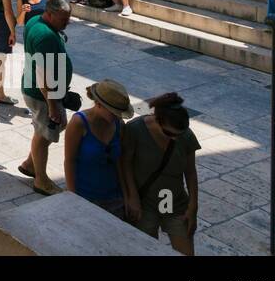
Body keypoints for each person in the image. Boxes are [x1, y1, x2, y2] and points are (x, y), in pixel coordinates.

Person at [121, 92, 200, 255]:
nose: (176, 139)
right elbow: (125, 163)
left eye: (180, 134)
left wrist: (193, 206)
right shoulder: (135, 130)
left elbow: (190, 172)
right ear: (157, 120)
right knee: (147, 250)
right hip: (145, 203)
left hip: (174, 202)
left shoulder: (185, 135)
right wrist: (132, 196)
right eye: (170, 133)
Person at [19, 0, 73, 196]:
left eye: (68, 19)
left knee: (49, 128)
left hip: (39, 88)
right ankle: (40, 180)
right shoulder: (45, 36)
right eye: (63, 20)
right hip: (42, 93)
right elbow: (44, 75)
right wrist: (53, 105)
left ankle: (30, 164)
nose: (66, 23)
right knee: (44, 134)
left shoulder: (35, 20)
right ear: (49, 14)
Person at [65, 79, 133, 218]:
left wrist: (127, 196)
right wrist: (73, 197)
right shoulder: (79, 122)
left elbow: (119, 162)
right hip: (85, 197)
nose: (117, 116)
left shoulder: (119, 125)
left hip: (114, 198)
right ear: (99, 104)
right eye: (113, 112)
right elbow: (70, 161)